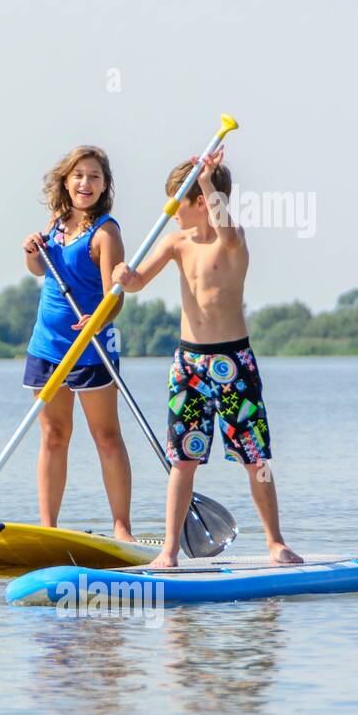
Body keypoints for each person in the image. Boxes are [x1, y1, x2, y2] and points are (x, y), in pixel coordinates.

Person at [113, 148, 302, 566]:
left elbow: (227, 228)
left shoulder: (231, 241)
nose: (170, 210)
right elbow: (139, 281)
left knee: (255, 458)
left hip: (233, 364)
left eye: (177, 201)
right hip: (189, 365)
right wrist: (125, 277)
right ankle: (169, 550)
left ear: (202, 202)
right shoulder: (175, 242)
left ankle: (275, 542)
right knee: (182, 459)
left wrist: (205, 180)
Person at [23, 146, 133, 541]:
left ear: (104, 186)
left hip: (91, 348)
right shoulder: (56, 223)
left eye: (95, 177)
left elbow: (115, 296)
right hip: (47, 346)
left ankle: (121, 527)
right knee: (53, 435)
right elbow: (40, 270)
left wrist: (96, 319)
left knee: (105, 435)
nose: (86, 183)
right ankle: (48, 529)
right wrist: (32, 252)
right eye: (79, 176)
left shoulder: (106, 232)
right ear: (66, 181)